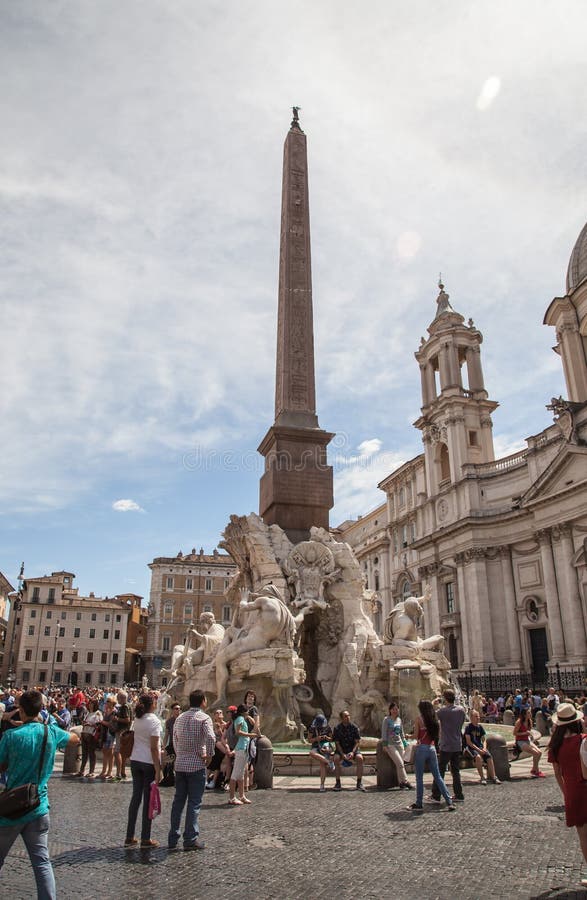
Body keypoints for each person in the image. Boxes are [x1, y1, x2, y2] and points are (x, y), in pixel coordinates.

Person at [0, 689, 79, 899]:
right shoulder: (50, 732)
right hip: (39, 805)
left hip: (12, 807)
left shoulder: (11, 736)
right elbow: (74, 738)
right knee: (42, 862)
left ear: (21, 710)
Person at [168, 689, 215, 851]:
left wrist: (180, 753)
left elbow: (174, 738)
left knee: (178, 802)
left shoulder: (180, 718)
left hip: (180, 765)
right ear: (203, 701)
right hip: (196, 765)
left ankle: (173, 838)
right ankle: (190, 839)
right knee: (194, 803)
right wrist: (209, 755)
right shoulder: (204, 718)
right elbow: (211, 737)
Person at [547, 703, 587, 888]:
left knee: (584, 837)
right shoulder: (583, 739)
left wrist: (566, 793)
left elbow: (557, 773)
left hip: (573, 792)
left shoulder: (556, 745)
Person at [125, 694, 162, 848]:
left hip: (135, 760)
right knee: (148, 800)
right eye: (155, 701)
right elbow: (154, 748)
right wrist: (158, 768)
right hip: (148, 763)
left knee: (136, 798)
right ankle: (145, 838)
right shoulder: (154, 721)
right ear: (152, 704)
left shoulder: (137, 719)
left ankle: (129, 836)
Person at [408, 700, 455, 812]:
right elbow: (438, 735)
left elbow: (415, 735)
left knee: (419, 778)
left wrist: (408, 736)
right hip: (432, 748)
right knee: (438, 777)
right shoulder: (435, 721)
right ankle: (449, 802)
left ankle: (419, 803)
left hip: (422, 749)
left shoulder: (419, 719)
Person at [430, 689, 465, 804]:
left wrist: (433, 703)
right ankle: (459, 794)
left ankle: (436, 795)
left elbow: (430, 716)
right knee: (456, 771)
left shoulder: (442, 712)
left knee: (440, 771)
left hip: (446, 745)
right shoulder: (461, 710)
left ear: (445, 698)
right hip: (457, 745)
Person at [228, 704, 259, 806]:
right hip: (241, 748)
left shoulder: (241, 718)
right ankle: (232, 797)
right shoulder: (240, 718)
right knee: (236, 773)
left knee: (241, 774)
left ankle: (242, 796)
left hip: (244, 748)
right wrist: (251, 735)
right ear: (244, 712)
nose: (248, 713)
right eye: (247, 711)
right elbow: (238, 732)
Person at [380, 701, 412, 790]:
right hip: (391, 745)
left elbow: (401, 734)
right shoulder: (386, 720)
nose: (395, 711)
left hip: (400, 744)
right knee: (401, 763)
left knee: (400, 765)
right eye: (393, 709)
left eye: (396, 709)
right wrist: (384, 745)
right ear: (390, 710)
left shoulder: (399, 720)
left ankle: (400, 782)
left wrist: (405, 743)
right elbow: (384, 733)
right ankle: (406, 781)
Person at [464, 710, 501, 784]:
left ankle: (494, 777)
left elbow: (484, 740)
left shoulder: (480, 727)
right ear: (471, 718)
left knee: (489, 757)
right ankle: (482, 777)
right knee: (478, 757)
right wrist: (478, 750)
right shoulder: (468, 727)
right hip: (471, 748)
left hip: (480, 747)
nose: (478, 718)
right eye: (476, 716)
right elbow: (469, 742)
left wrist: (484, 748)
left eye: (478, 716)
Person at [332, 710, 365, 792]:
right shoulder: (337, 728)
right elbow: (337, 743)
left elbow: (357, 742)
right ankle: (338, 782)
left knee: (360, 758)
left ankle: (359, 782)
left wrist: (352, 752)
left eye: (349, 715)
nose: (348, 717)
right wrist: (342, 754)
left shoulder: (354, 727)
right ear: (341, 718)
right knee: (336, 759)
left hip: (352, 750)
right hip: (341, 750)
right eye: (346, 716)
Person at [513, 707, 544, 777]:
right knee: (536, 753)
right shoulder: (519, 722)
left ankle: (534, 769)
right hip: (520, 741)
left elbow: (529, 732)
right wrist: (524, 733)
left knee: (539, 753)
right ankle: (536, 770)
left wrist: (531, 736)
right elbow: (514, 733)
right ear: (524, 714)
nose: (530, 714)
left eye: (530, 712)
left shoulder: (530, 721)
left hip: (527, 740)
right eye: (528, 713)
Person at [308, 713, 335, 792]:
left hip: (326, 746)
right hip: (316, 746)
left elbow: (331, 739)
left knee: (322, 764)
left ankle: (322, 785)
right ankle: (329, 762)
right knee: (311, 753)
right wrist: (317, 739)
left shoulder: (327, 727)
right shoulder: (312, 728)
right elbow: (309, 740)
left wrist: (326, 737)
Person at [77, 698, 102, 778]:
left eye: (92, 703)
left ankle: (91, 771)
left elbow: (99, 725)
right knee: (84, 753)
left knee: (91, 753)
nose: (90, 705)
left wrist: (90, 724)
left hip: (92, 734)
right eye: (90, 703)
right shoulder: (88, 713)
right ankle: (82, 770)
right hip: (85, 733)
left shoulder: (97, 713)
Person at [112, 691, 132, 781]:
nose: (117, 699)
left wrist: (117, 719)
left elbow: (127, 719)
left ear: (122, 698)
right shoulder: (125, 706)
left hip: (122, 731)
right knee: (122, 753)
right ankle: (122, 772)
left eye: (118, 697)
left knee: (118, 752)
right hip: (124, 731)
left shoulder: (125, 707)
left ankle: (119, 772)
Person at [97, 698, 116, 780]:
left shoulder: (114, 712)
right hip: (105, 734)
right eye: (106, 701)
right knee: (104, 751)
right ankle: (103, 770)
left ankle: (110, 771)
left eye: (108, 701)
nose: (106, 703)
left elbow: (111, 724)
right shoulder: (106, 711)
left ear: (113, 703)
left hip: (111, 734)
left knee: (110, 753)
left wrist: (101, 721)